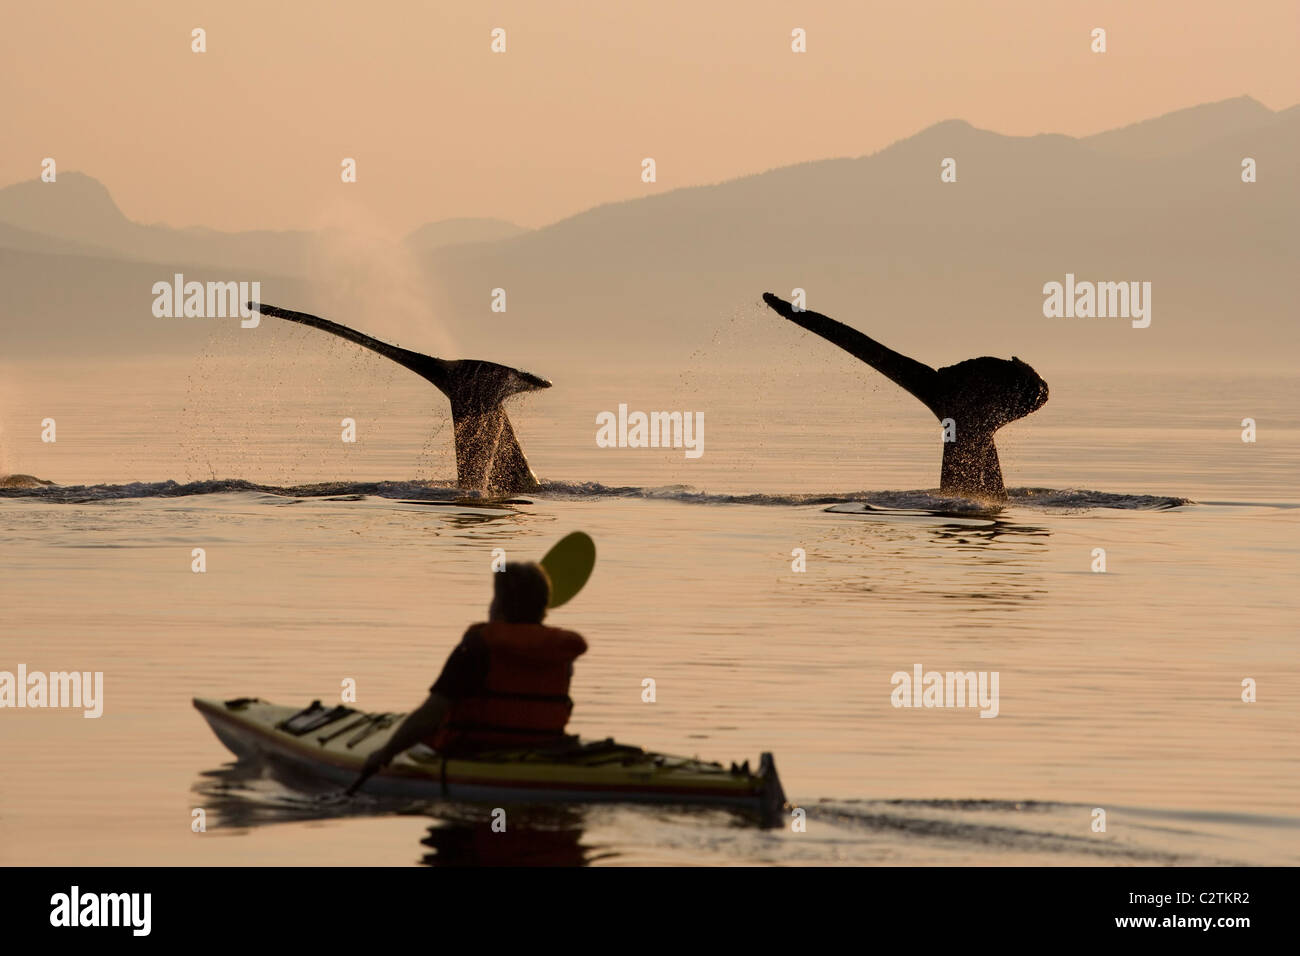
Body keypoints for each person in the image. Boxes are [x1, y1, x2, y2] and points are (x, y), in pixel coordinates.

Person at [357, 562, 587, 782]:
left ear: (499, 607)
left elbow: (430, 715)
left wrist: (385, 753)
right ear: (543, 610)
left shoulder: (476, 649)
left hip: (472, 752)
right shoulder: (560, 653)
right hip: (546, 752)